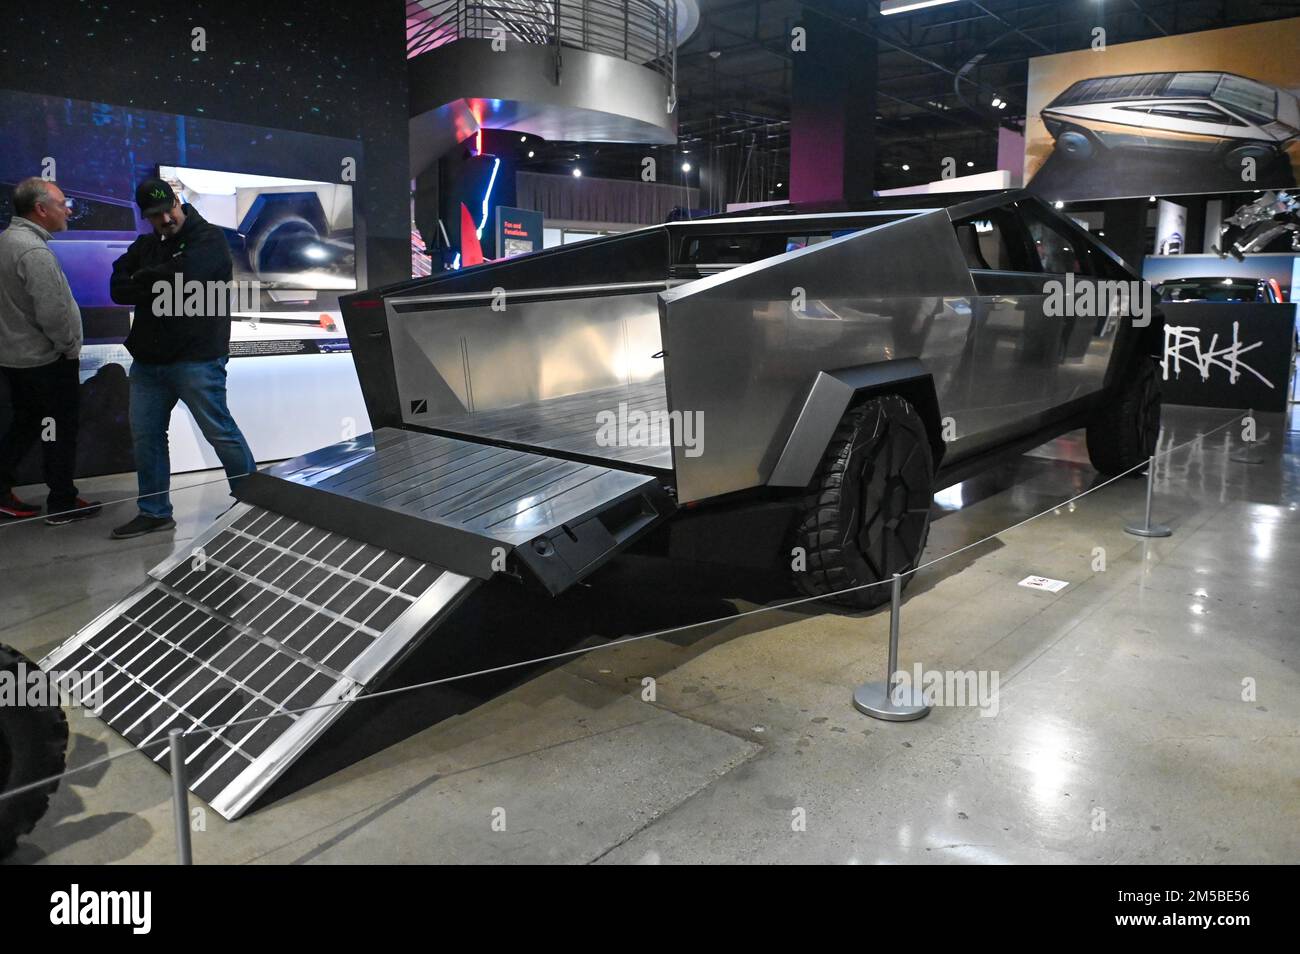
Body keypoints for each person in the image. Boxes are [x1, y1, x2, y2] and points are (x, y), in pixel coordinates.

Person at [108, 177, 254, 539]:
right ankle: (155, 511)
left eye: (169, 209)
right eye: (156, 215)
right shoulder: (145, 245)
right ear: (147, 217)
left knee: (219, 432)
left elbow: (189, 275)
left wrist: (143, 279)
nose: (167, 219)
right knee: (147, 437)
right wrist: (156, 277)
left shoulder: (209, 239)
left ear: (178, 201)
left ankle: (254, 501)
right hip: (149, 362)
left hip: (197, 358)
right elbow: (117, 287)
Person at [0, 178, 101, 525]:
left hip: (17, 358)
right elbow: (52, 312)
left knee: (26, 424)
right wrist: (68, 347)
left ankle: (2, 489)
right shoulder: (33, 252)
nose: (68, 209)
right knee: (60, 431)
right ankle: (62, 502)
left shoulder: (7, 242)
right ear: (40, 209)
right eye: (61, 203)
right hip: (46, 361)